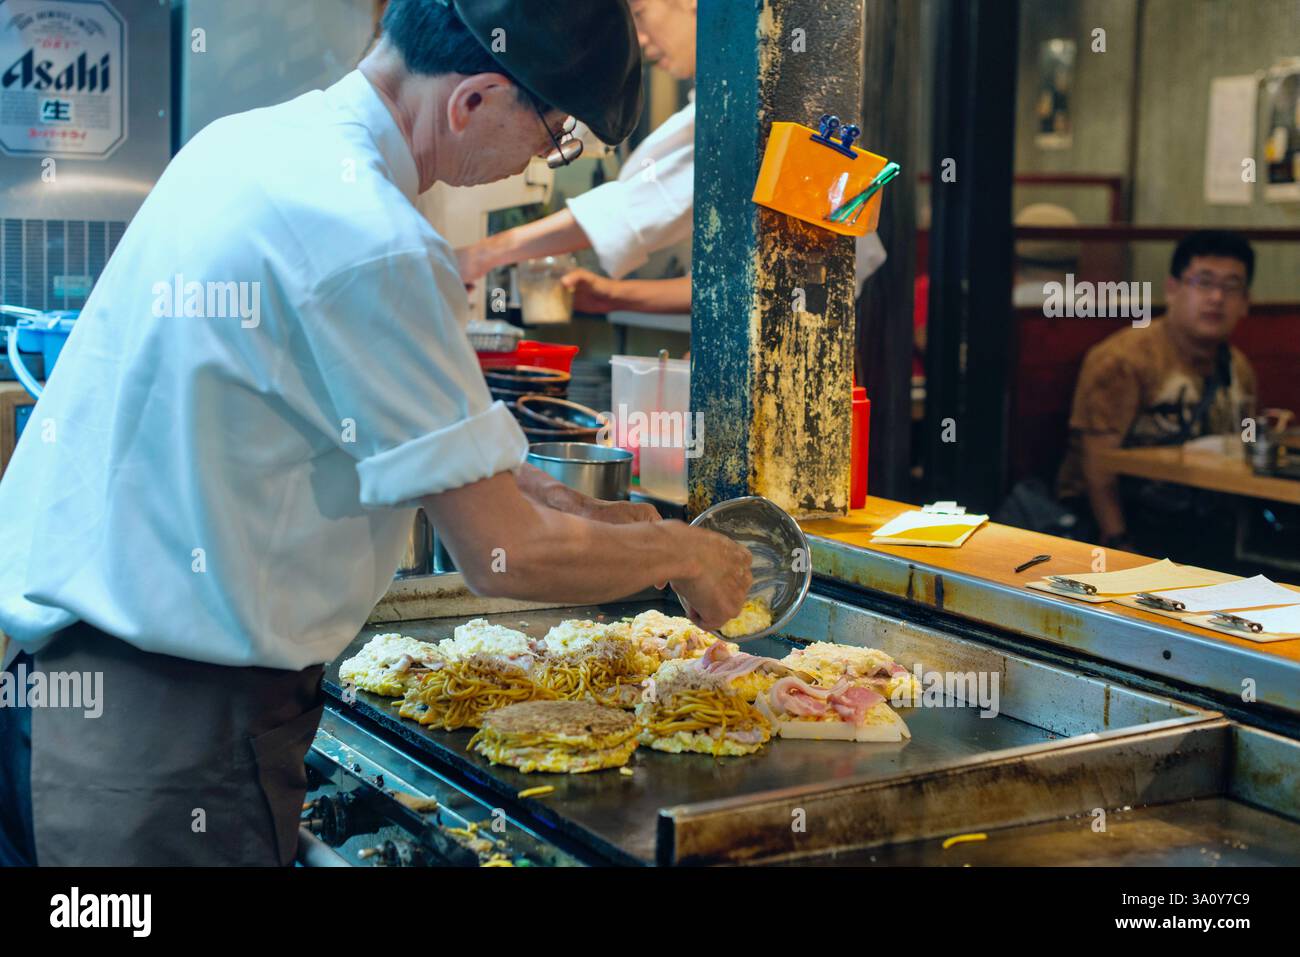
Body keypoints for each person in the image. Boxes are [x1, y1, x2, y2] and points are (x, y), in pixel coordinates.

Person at [0, 0, 751, 867]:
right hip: (167, 752)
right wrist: (689, 557)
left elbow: (448, 459)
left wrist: (627, 525)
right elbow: (505, 553)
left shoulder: (247, 146)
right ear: (474, 100)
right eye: (552, 135)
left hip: (60, 701)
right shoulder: (375, 240)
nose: (540, 160)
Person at [456, 0, 886, 316]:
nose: (640, 41)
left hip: (830, 340)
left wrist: (481, 255)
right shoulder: (740, 96)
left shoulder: (746, 104)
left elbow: (629, 208)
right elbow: (750, 283)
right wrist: (609, 295)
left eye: (640, 14)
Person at [1057, 230, 1258, 558]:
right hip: (1127, 527)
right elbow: (1095, 463)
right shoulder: (1122, 359)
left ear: (1245, 301)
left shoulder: (1239, 367)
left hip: (1208, 527)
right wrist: (1118, 541)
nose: (1217, 298)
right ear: (1173, 289)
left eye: (1231, 286)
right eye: (1203, 282)